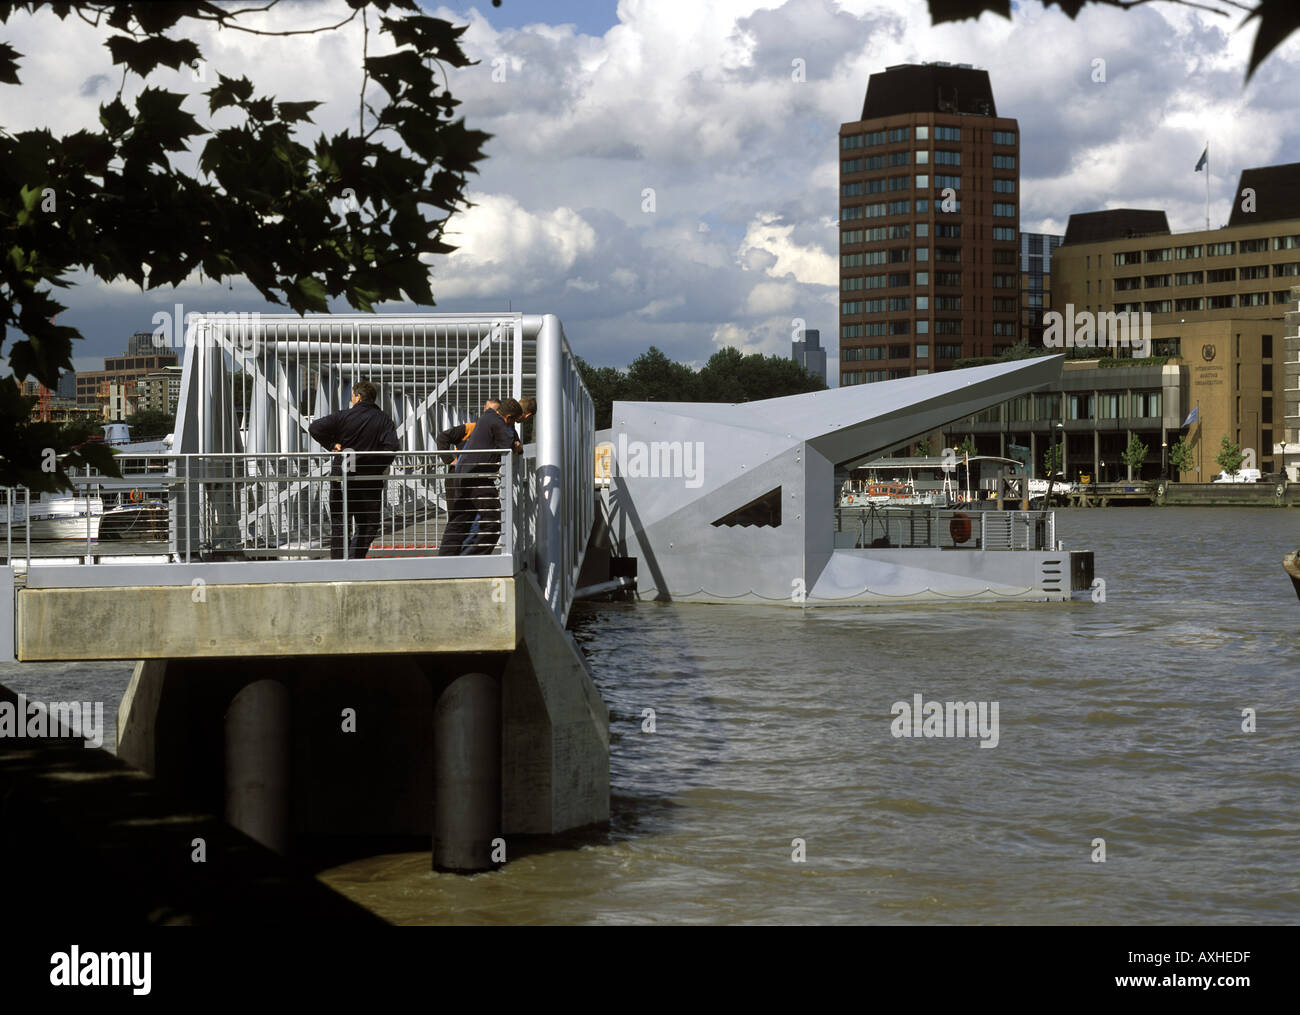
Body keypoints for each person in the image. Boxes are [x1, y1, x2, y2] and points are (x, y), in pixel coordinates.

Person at [308, 381, 399, 560]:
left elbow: (315, 427)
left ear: (357, 397)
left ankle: (339, 565)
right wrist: (377, 467)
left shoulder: (344, 416)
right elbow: (392, 447)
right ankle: (354, 558)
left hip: (342, 475)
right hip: (369, 480)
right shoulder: (384, 420)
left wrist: (332, 444)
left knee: (340, 522)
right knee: (368, 524)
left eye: (352, 396)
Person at [438, 397, 523, 556]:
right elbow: (507, 445)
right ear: (508, 418)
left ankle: (445, 561)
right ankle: (472, 560)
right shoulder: (498, 423)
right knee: (492, 523)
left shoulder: (487, 416)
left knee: (459, 521)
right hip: (479, 477)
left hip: (462, 475)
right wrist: (517, 446)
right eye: (513, 422)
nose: (512, 426)